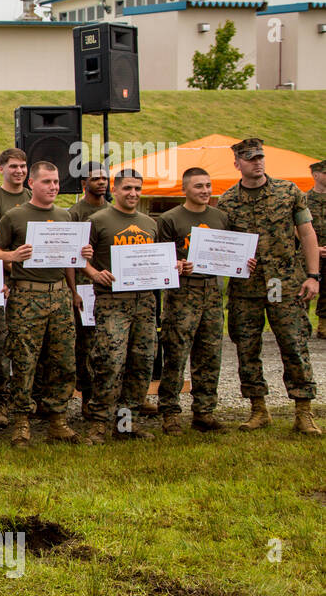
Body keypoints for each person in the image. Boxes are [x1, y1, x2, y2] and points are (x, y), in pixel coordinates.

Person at [216, 137, 321, 434]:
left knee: (294, 345)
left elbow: (308, 233)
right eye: (250, 158)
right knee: (247, 347)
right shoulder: (227, 201)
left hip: (286, 284)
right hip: (245, 288)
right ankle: (258, 409)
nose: (257, 161)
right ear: (237, 164)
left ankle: (303, 411)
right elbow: (222, 247)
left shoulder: (288, 192)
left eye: (260, 156)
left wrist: (313, 276)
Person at [0, 161, 80, 447]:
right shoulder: (15, 216)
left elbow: (69, 261)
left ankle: (57, 420)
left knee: (63, 360)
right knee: (25, 361)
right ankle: (21, 422)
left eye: (55, 182)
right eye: (46, 182)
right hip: (27, 296)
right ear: (31, 184)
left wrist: (74, 289)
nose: (52, 187)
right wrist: (12, 257)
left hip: (60, 295)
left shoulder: (65, 216)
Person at [82, 170, 171, 444]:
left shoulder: (149, 223)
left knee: (142, 362)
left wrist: (172, 267)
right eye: (127, 188)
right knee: (109, 360)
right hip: (112, 301)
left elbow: (156, 259)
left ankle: (125, 424)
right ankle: (98, 423)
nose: (133, 194)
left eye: (138, 189)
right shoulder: (97, 221)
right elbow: (77, 258)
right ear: (115, 190)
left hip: (145, 301)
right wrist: (93, 273)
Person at [156, 168, 242, 434]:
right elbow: (159, 257)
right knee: (176, 353)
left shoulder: (221, 218)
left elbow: (231, 251)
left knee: (209, 353)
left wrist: (242, 262)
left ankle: (204, 412)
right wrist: (177, 264)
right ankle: (170, 412)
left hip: (212, 291)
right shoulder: (170, 219)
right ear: (185, 189)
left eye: (208, 185)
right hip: (182, 293)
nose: (204, 191)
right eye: (198, 187)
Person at [0, 148, 32, 429]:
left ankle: (27, 398)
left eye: (23, 166)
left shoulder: (34, 196)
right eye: (13, 166)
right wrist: (1, 275)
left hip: (34, 283)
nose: (19, 171)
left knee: (27, 342)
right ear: (1, 169)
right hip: (3, 282)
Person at [66, 161, 110, 418]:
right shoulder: (74, 213)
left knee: (110, 345)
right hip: (84, 287)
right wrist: (73, 291)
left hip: (111, 287)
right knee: (86, 345)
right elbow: (69, 258)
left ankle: (113, 395)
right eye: (96, 179)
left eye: (104, 178)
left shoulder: (115, 210)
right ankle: (87, 397)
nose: (101, 182)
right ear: (84, 184)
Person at [307, 159, 326, 340]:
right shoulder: (304, 200)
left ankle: (324, 324)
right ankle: (302, 324)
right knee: (305, 287)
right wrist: (314, 248)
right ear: (316, 175)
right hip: (310, 252)